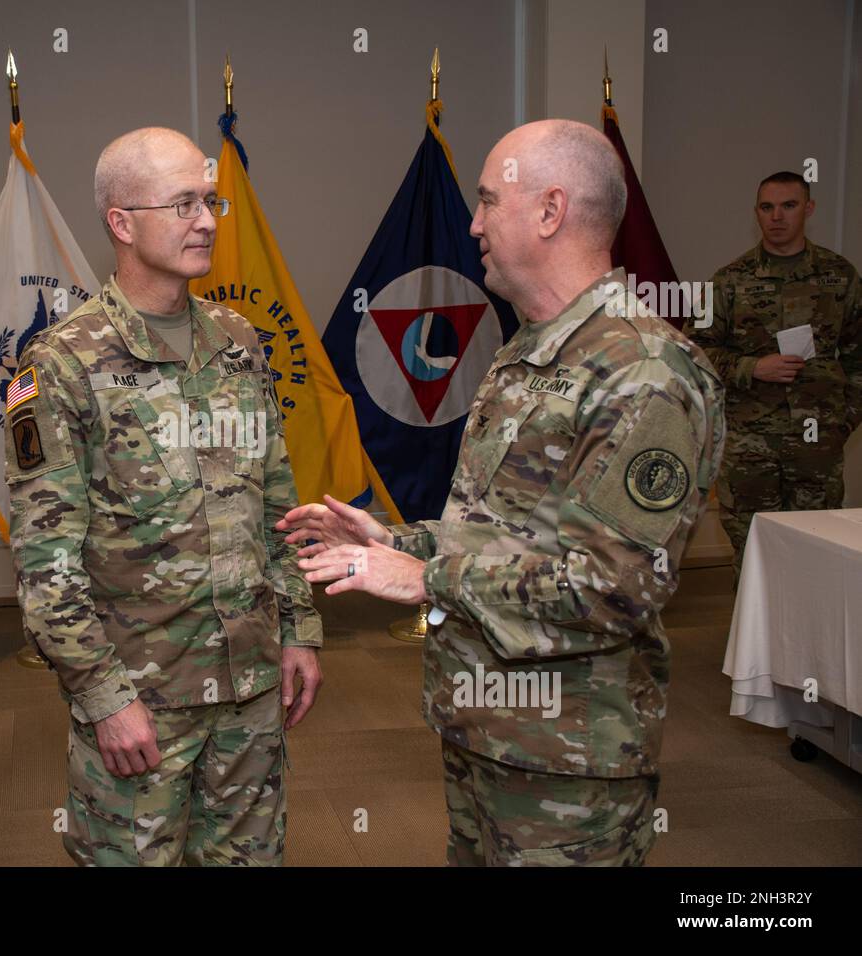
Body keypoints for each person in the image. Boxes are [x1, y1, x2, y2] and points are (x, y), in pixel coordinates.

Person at [280, 120, 725, 866]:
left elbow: (612, 587)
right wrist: (397, 541)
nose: (473, 222)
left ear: (550, 212)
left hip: (567, 760)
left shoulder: (645, 373)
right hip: (486, 724)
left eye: (489, 201)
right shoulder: (526, 349)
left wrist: (425, 577)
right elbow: (505, 530)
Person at [5, 127, 322, 866]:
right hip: (142, 700)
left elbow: (277, 499)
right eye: (183, 203)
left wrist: (299, 624)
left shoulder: (238, 341)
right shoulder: (60, 364)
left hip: (250, 693)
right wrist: (103, 696)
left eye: (210, 201)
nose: (207, 220)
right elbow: (45, 562)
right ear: (122, 222)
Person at [687, 171, 862, 582]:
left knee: (818, 559)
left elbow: (858, 359)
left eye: (788, 205)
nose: (777, 217)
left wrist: (842, 421)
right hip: (751, 448)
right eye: (767, 207)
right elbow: (694, 353)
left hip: (816, 445)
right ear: (756, 213)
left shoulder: (840, 277)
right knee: (753, 562)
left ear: (809, 209)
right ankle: (756, 647)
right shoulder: (729, 280)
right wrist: (752, 367)